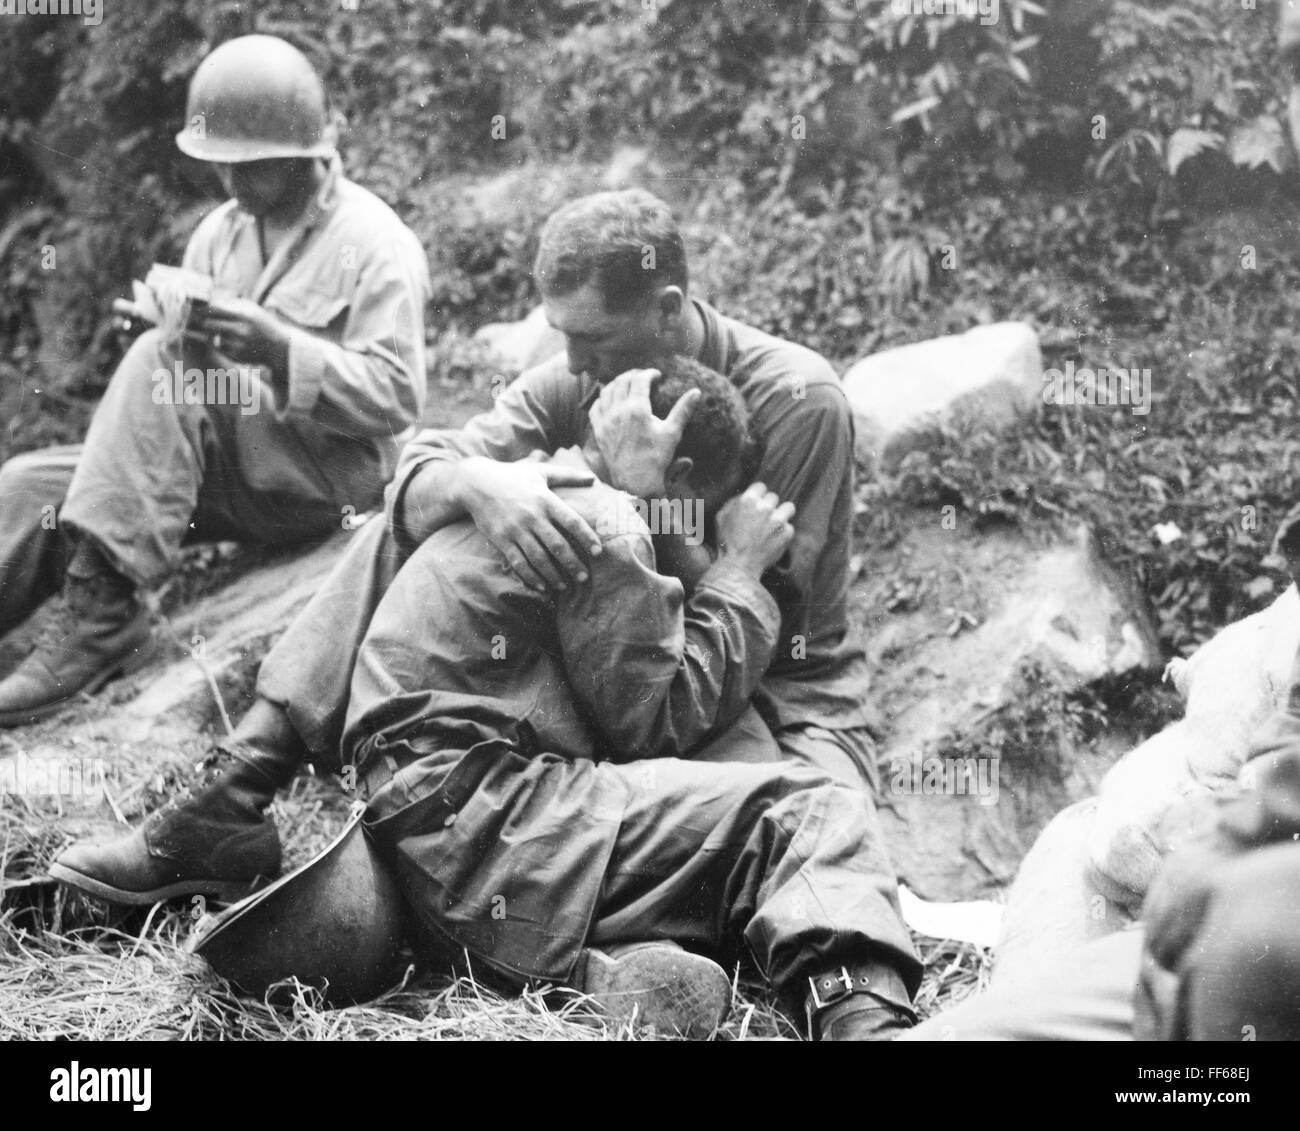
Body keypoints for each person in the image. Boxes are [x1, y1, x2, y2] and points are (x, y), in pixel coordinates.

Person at [55, 188, 904, 955]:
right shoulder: (579, 375)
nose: (571, 363)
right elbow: (416, 472)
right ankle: (236, 787)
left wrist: (643, 506)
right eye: (560, 335)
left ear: (667, 307)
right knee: (407, 526)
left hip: (766, 692)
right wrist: (477, 483)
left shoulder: (797, 401)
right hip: (628, 666)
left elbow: (764, 617)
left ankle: (615, 966)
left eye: (589, 338)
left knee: (812, 834)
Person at [342, 355, 920, 1040]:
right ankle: (867, 1024)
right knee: (813, 808)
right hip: (493, 836)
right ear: (676, 479)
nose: (690, 536)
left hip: (432, 848)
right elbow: (660, 723)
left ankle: (610, 971)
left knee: (711, 827)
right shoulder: (603, 519)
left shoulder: (526, 485)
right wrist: (738, 568)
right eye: (697, 510)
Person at [0, 34, 429, 726]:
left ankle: (103, 615)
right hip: (233, 464)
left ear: (301, 155)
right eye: (219, 168)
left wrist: (281, 348)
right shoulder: (222, 233)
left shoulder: (376, 243)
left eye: (248, 168)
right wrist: (159, 331)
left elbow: (398, 397)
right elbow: (189, 369)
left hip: (329, 474)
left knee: (163, 369)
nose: (229, 185)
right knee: (31, 482)